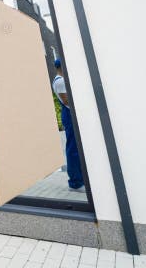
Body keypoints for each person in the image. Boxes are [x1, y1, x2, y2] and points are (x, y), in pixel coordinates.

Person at [52, 58, 85, 192]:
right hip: (70, 115)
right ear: (62, 67)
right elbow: (67, 101)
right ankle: (75, 183)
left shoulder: (60, 80)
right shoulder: (60, 81)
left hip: (70, 115)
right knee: (73, 149)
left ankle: (80, 179)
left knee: (76, 148)